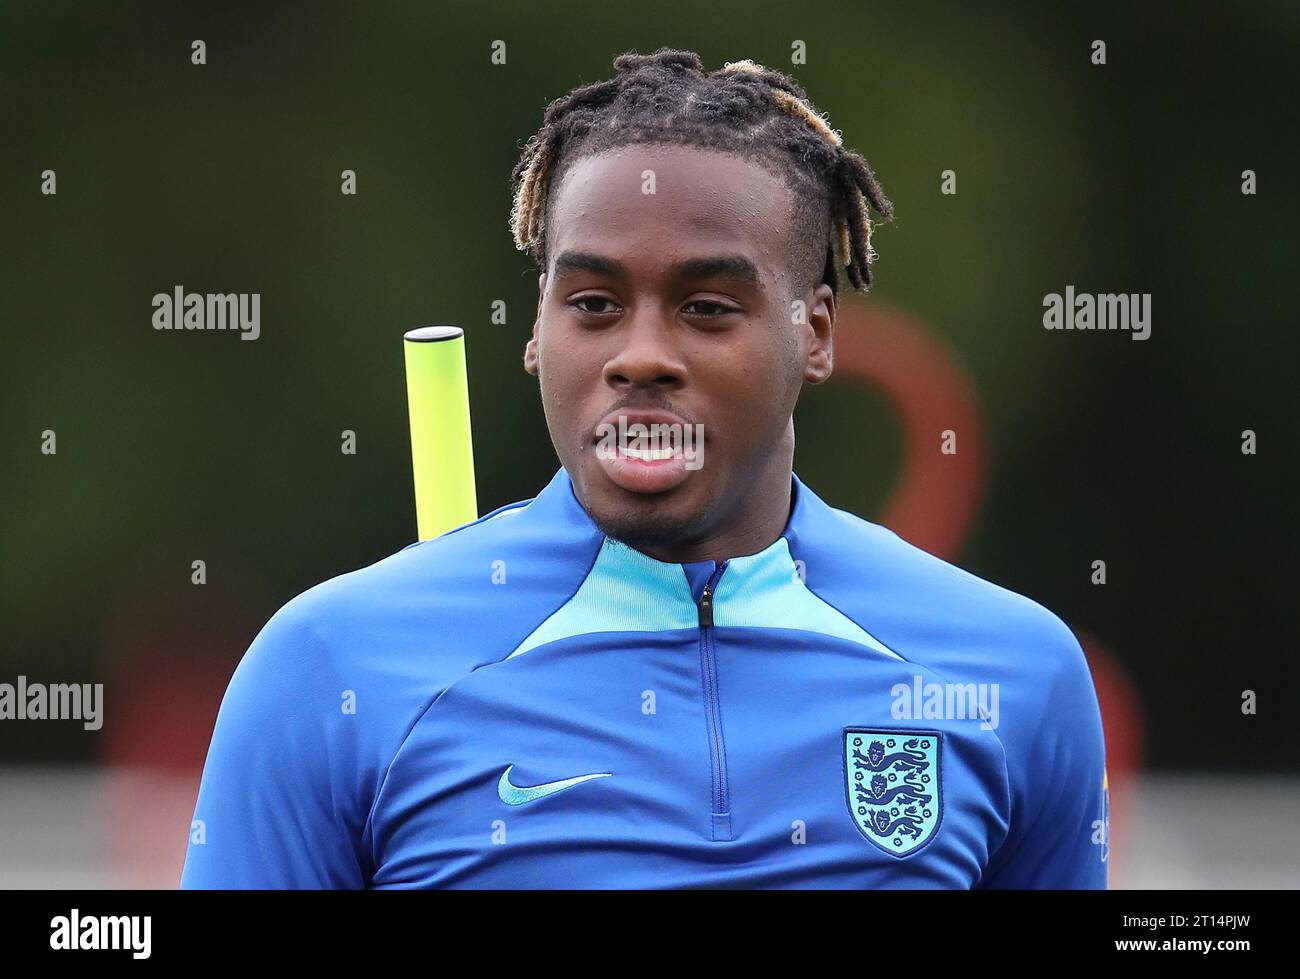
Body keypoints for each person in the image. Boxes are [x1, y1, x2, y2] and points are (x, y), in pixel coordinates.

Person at [181, 48, 1107, 888]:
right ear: (537, 334)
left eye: (707, 307)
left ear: (816, 333)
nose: (642, 355)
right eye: (592, 303)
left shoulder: (1010, 673)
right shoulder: (330, 668)